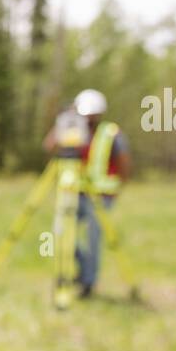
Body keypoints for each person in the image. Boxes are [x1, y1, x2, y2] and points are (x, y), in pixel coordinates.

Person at [44, 89, 131, 298]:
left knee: (93, 239)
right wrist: (64, 122)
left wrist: (118, 189)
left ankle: (88, 284)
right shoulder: (75, 130)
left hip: (102, 196)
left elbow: (125, 163)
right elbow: (49, 146)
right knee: (60, 231)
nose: (88, 119)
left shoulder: (111, 133)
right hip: (78, 193)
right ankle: (83, 272)